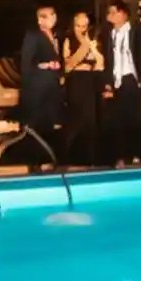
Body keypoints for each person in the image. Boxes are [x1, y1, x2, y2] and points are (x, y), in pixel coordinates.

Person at [102, 0, 141, 167]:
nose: (110, 16)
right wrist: (108, 82)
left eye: (113, 12)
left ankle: (137, 155)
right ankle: (120, 156)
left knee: (135, 118)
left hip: (131, 77)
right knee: (118, 120)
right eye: (109, 13)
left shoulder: (137, 30)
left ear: (123, 14)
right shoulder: (108, 34)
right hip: (116, 80)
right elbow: (108, 60)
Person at [18, 3, 63, 168]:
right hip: (37, 89)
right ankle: (35, 161)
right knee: (37, 125)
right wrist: (44, 65)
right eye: (46, 16)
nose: (50, 19)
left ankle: (49, 159)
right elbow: (26, 63)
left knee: (50, 124)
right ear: (39, 20)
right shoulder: (33, 36)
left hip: (52, 88)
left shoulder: (56, 36)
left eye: (52, 15)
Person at [60, 10, 105, 167]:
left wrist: (92, 48)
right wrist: (83, 46)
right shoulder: (69, 40)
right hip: (76, 80)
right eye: (78, 26)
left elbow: (100, 63)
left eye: (84, 26)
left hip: (90, 80)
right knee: (75, 119)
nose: (81, 29)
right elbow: (68, 65)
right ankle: (66, 157)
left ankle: (92, 159)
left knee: (91, 121)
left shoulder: (92, 40)